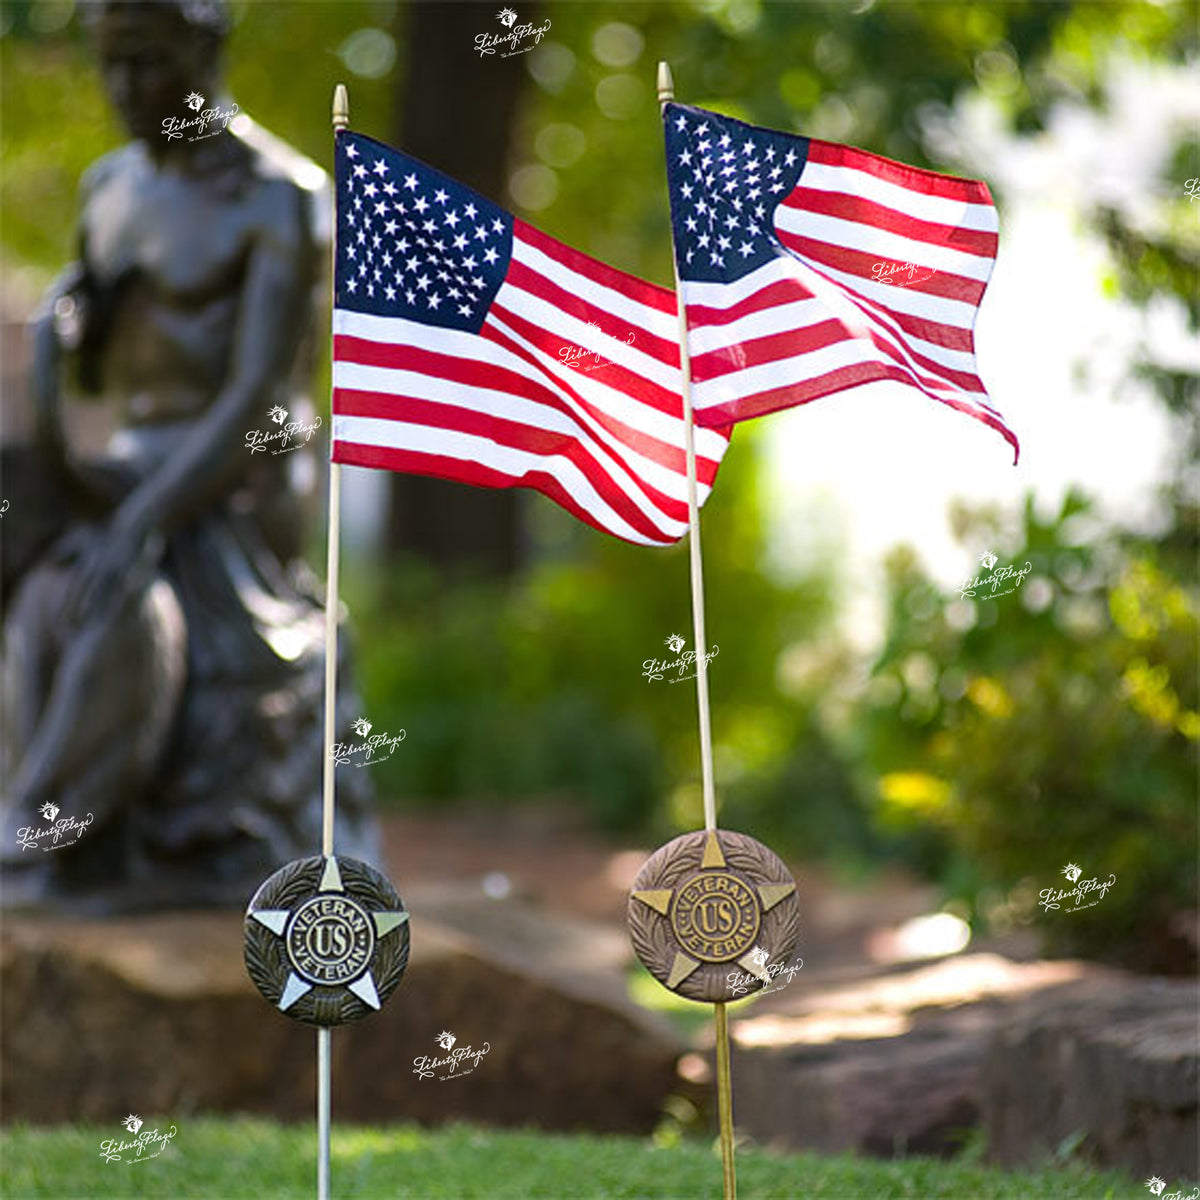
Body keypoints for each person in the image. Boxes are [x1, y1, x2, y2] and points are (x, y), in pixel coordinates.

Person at [0, 0, 377, 909]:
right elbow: (97, 367)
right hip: (124, 464)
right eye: (111, 65)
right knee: (32, 562)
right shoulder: (111, 187)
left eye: (147, 62)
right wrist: (72, 329)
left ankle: (46, 830)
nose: (126, 90)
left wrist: (143, 518)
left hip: (241, 476)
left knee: (121, 598)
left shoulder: (278, 196)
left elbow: (257, 393)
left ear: (204, 48)